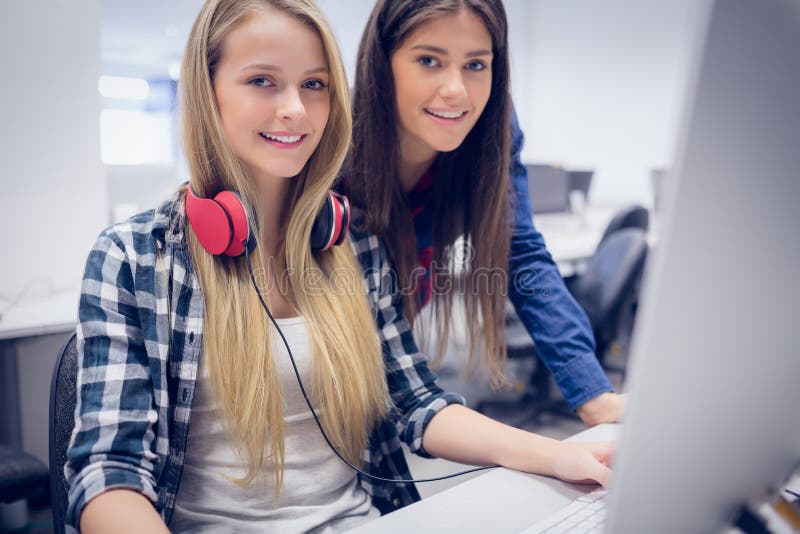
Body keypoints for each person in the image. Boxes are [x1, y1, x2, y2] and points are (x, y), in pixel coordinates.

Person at [65, 1, 615, 532]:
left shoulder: (354, 245)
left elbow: (417, 401)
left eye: (314, 84)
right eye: (262, 80)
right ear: (206, 92)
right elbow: (109, 474)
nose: (296, 110)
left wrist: (561, 455)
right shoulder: (137, 257)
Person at [343, 0, 625, 426]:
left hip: (400, 323)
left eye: (476, 65)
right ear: (383, 63)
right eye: (428, 60)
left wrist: (592, 392)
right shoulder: (331, 140)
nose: (456, 89)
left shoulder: (493, 130)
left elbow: (521, 254)